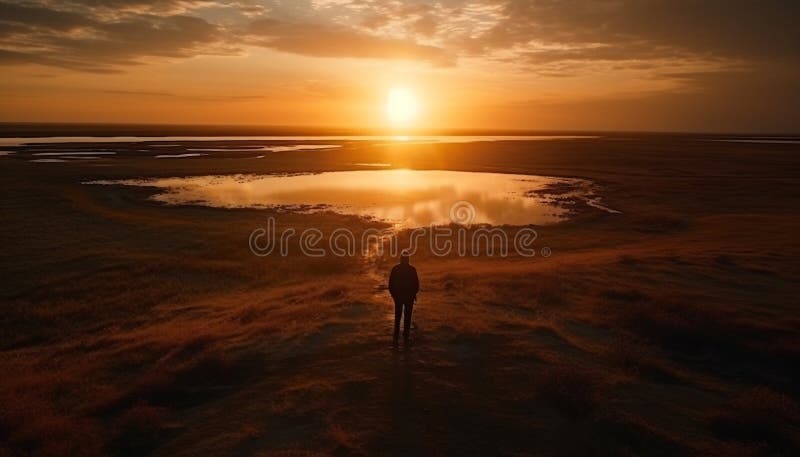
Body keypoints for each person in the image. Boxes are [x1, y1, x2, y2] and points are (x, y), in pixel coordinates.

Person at [388, 252, 419, 341]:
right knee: (402, 317)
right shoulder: (410, 269)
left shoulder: (398, 269)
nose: (405, 260)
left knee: (402, 317)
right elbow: (391, 284)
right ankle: (402, 335)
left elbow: (416, 284)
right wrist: (394, 295)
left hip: (403, 297)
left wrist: (394, 295)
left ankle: (400, 335)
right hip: (401, 297)